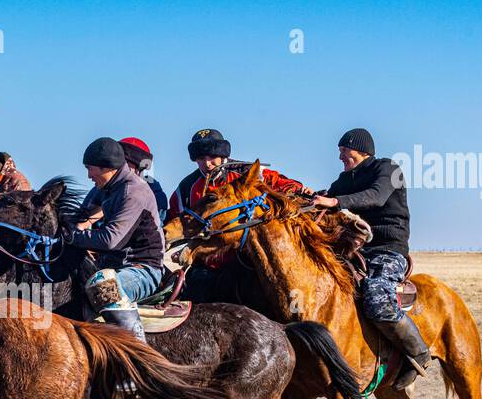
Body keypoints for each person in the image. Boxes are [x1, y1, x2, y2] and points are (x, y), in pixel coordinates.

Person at [312, 127, 431, 389]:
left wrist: (334, 203)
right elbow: (327, 196)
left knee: (377, 297)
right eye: (340, 153)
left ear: (362, 150)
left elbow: (375, 197)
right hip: (355, 249)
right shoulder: (346, 179)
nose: (341, 157)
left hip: (388, 249)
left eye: (345, 152)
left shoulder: (388, 169)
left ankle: (419, 353)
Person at [62, 138, 164, 342]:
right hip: (115, 266)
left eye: (91, 169)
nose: (88, 175)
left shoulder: (134, 191)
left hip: (144, 269)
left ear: (107, 167)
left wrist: (73, 236)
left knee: (103, 285)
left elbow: (111, 240)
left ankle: (138, 354)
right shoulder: (107, 186)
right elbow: (81, 215)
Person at [165, 128, 306, 222]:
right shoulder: (187, 186)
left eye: (212, 157)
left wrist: (300, 190)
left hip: (246, 251)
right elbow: (173, 218)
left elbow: (280, 182)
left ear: (222, 155)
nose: (207, 164)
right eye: (201, 159)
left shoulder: (246, 171)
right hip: (207, 257)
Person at [119, 137, 167, 228]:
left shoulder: (155, 194)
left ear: (138, 166)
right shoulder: (104, 188)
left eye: (124, 162)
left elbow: (155, 226)